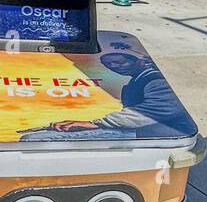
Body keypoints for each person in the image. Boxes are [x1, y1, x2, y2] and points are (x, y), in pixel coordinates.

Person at [25, 51, 191, 141]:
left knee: (35, 139)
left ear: (138, 61)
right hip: (142, 129)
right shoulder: (139, 80)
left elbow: (151, 112)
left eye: (119, 62)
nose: (114, 67)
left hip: (153, 132)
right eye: (109, 65)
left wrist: (95, 123)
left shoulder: (153, 80)